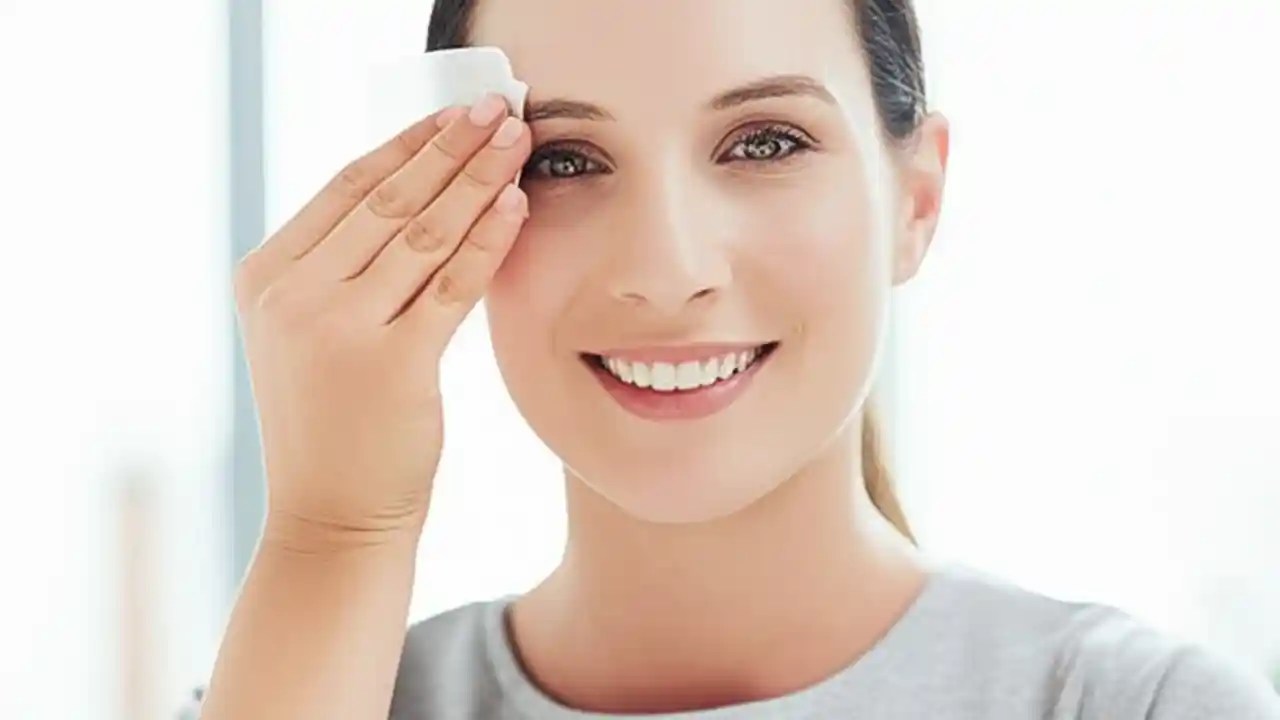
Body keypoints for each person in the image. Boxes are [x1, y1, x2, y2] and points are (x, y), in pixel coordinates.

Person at [197, 0, 1280, 718]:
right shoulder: (311, 685)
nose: (666, 270)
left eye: (764, 142)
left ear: (915, 199)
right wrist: (332, 534)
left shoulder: (1129, 708)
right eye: (566, 159)